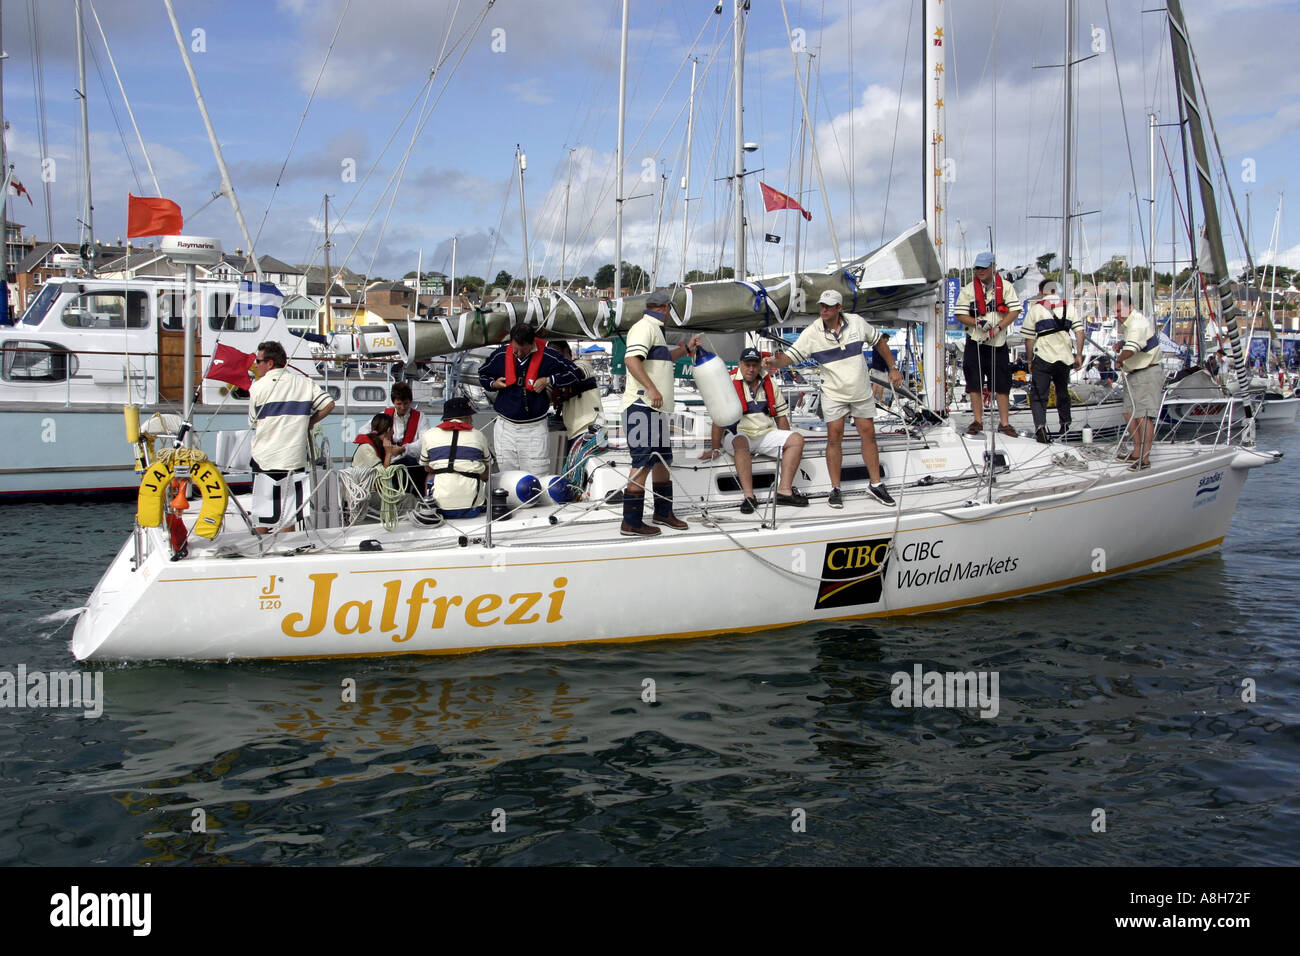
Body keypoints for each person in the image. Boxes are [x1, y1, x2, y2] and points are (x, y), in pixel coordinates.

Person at [763, 289, 901, 508]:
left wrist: (893, 368)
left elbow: (879, 342)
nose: (823, 309)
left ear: (839, 308)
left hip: (860, 391)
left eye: (828, 306)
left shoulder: (856, 322)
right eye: (821, 305)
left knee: (869, 435)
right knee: (834, 438)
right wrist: (774, 363)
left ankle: (875, 484)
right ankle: (835, 489)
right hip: (833, 393)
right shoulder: (812, 332)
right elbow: (791, 357)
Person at [619, 287, 701, 536]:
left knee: (662, 460)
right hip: (642, 406)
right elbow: (631, 360)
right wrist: (652, 389)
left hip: (654, 410)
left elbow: (664, 358)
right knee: (643, 461)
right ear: (665, 308)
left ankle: (663, 512)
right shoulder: (645, 328)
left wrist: (686, 349)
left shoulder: (655, 330)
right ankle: (631, 521)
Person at [701, 347, 808, 513]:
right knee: (741, 441)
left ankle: (784, 491)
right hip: (738, 434)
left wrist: (786, 439)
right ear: (740, 365)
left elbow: (780, 416)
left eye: (755, 365)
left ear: (760, 366)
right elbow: (719, 419)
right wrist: (715, 448)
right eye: (747, 364)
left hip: (765, 434)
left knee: (797, 439)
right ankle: (749, 497)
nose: (751, 369)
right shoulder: (728, 382)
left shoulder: (769, 383)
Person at [247, 340, 335, 532]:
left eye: (258, 360)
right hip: (293, 458)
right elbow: (329, 404)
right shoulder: (304, 383)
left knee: (264, 512)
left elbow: (253, 421)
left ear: (270, 363)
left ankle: (262, 549)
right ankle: (288, 550)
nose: (256, 365)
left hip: (265, 458)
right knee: (288, 514)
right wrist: (309, 422)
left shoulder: (257, 388)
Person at [478, 324, 582, 475]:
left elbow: (575, 374)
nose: (518, 353)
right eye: (515, 349)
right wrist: (493, 384)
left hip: (534, 429)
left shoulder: (549, 356)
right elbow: (483, 374)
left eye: (523, 349)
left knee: (537, 475)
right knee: (507, 475)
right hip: (505, 427)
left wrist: (549, 380)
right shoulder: (500, 355)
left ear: (532, 343)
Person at [954, 251, 1022, 437]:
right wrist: (978, 322)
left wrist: (999, 327)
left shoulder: (1006, 287)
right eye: (977, 268)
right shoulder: (968, 289)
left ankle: (1005, 423)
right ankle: (977, 420)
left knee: (1002, 385)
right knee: (974, 383)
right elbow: (960, 315)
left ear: (993, 267)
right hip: (975, 341)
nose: (980, 271)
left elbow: (1014, 310)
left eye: (984, 267)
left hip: (998, 343)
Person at [1023, 279, 1084, 443]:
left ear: (1042, 291)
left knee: (1038, 395)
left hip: (1043, 357)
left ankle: (1041, 428)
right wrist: (1078, 355)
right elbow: (1079, 332)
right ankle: (1065, 425)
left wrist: (1029, 360)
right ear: (1055, 290)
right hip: (1064, 357)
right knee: (1062, 392)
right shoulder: (1069, 308)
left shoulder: (1036, 309)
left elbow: (1029, 339)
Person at [419, 396, 491, 518]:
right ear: (464, 417)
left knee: (430, 473)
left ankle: (429, 505)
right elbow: (488, 466)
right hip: (473, 508)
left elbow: (426, 467)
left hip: (441, 508)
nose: (471, 420)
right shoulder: (478, 435)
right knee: (483, 470)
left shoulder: (429, 435)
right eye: (470, 416)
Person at [1113, 295, 1162, 470]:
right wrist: (1122, 343)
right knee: (1129, 413)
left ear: (1130, 307)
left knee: (1143, 415)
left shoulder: (1137, 323)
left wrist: (1119, 360)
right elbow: (1136, 343)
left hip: (1146, 373)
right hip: (1134, 374)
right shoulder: (1130, 325)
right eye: (1115, 312)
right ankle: (1136, 450)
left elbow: (1132, 348)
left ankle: (1145, 458)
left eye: (1119, 310)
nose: (1117, 315)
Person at [550, 340, 603, 446]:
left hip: (590, 426)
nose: (553, 357)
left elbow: (577, 374)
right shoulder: (558, 375)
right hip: (573, 431)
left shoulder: (582, 364)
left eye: (555, 353)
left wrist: (548, 379)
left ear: (566, 351)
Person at [870, 330, 893, 402]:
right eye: (887, 340)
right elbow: (884, 359)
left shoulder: (875, 347)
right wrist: (889, 369)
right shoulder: (883, 348)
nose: (887, 342)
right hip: (881, 368)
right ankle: (880, 399)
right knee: (881, 384)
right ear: (884, 338)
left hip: (874, 367)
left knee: (875, 384)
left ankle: (873, 398)